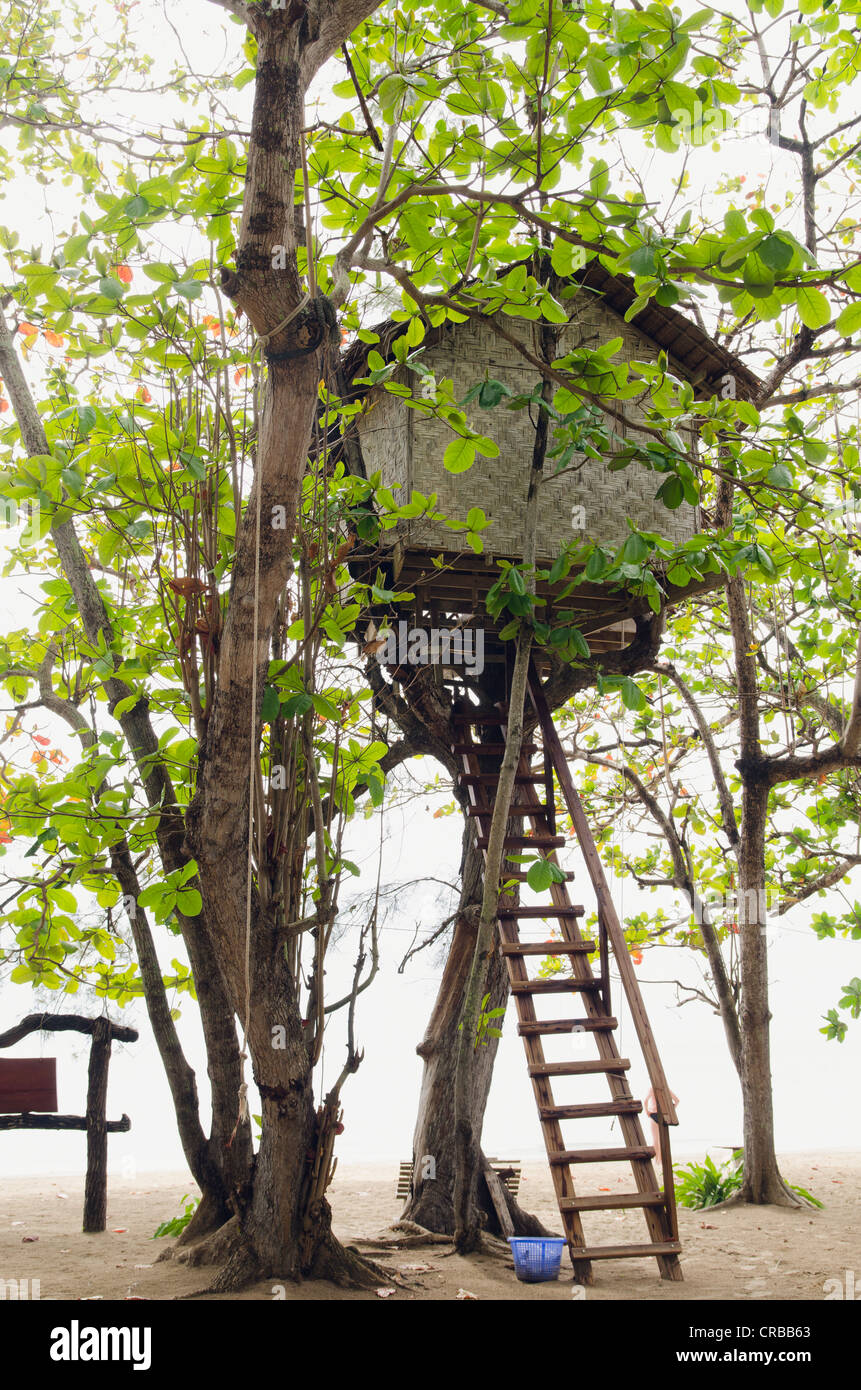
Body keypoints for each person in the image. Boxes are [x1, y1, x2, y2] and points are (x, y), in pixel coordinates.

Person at [644, 1085, 679, 1170]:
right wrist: (671, 1109)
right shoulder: (666, 1088)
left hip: (654, 1114)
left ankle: (657, 1160)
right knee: (663, 1139)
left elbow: (645, 1101)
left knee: (655, 1139)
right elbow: (677, 1101)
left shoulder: (651, 1088)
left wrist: (647, 1112)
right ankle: (661, 1160)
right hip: (664, 1115)